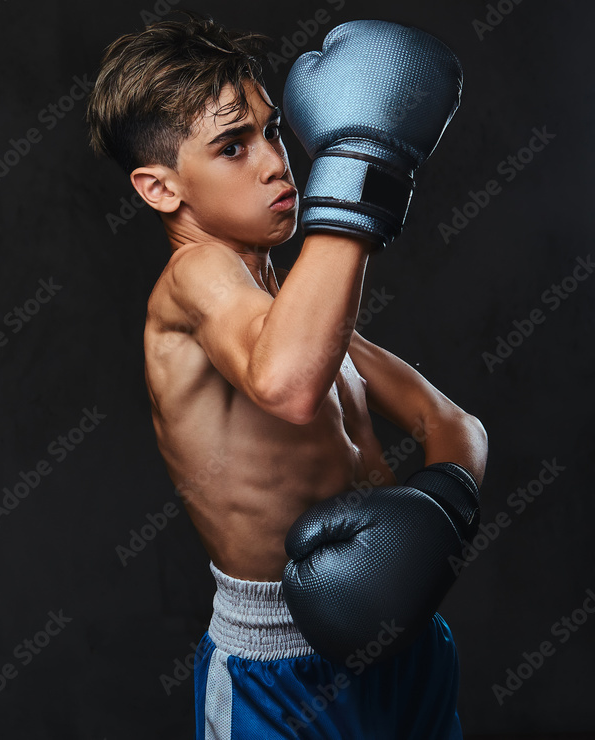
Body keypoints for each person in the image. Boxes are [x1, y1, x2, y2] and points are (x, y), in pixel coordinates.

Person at [87, 13, 488, 739]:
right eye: (232, 147)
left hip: (404, 639)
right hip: (281, 676)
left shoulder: (293, 314)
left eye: (273, 132)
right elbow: (286, 384)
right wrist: (362, 162)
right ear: (160, 189)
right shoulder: (192, 280)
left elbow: (454, 424)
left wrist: (442, 510)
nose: (276, 162)